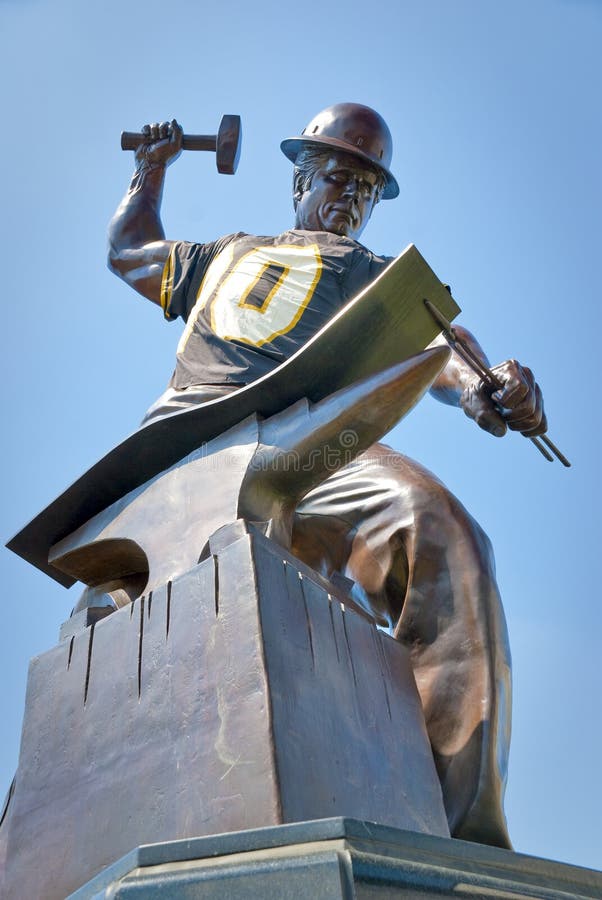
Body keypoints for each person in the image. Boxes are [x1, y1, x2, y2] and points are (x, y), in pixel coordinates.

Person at [107, 103, 546, 849]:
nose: (349, 197)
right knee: (112, 627)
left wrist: (486, 387)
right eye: (338, 176)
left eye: (367, 189)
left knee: (434, 523)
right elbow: (131, 252)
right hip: (184, 452)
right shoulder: (226, 254)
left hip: (301, 450)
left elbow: (446, 350)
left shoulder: (376, 279)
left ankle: (466, 843)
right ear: (299, 183)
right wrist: (148, 175)